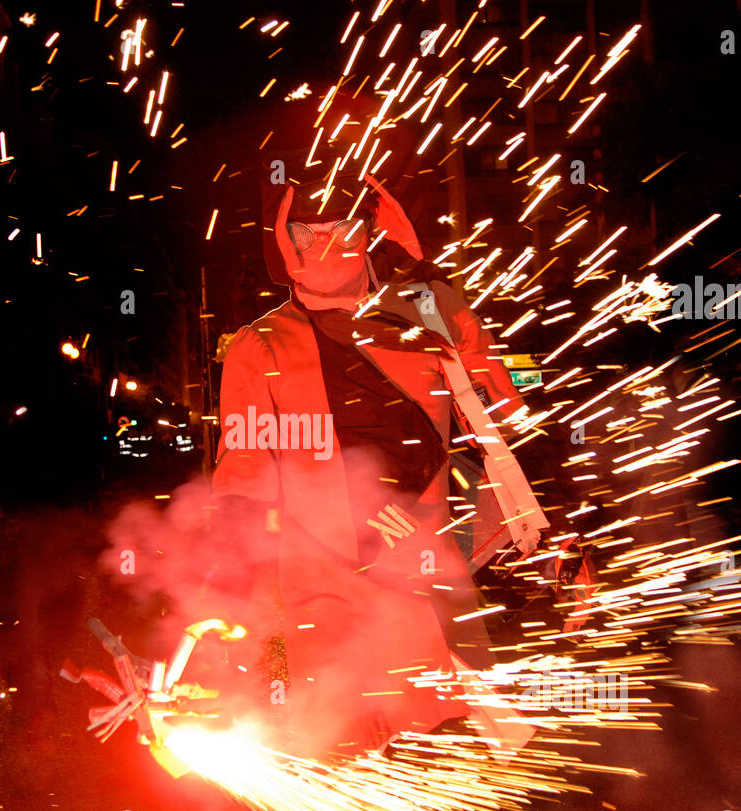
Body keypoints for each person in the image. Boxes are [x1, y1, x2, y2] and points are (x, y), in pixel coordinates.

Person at [209, 173, 544, 758]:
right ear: (280, 244)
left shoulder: (423, 320)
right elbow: (243, 479)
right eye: (304, 231)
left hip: (427, 588)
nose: (324, 241)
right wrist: (231, 603)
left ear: (371, 231)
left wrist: (430, 283)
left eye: (339, 224)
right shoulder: (258, 346)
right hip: (323, 603)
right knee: (345, 783)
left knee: (455, 773)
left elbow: (505, 403)